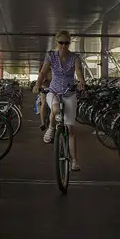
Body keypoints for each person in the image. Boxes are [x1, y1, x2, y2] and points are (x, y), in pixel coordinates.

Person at [32, 30, 85, 171]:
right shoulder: (50, 56)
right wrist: (38, 84)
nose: (63, 46)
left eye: (66, 43)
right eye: (61, 43)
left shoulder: (75, 57)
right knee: (55, 110)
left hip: (69, 92)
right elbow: (43, 72)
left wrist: (81, 81)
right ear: (57, 43)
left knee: (71, 129)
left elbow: (78, 70)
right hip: (53, 91)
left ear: (69, 44)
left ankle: (74, 161)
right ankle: (51, 128)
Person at [37, 63, 52, 131]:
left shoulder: (55, 67)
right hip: (45, 88)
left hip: (53, 89)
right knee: (43, 104)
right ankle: (43, 123)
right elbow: (40, 78)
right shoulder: (43, 68)